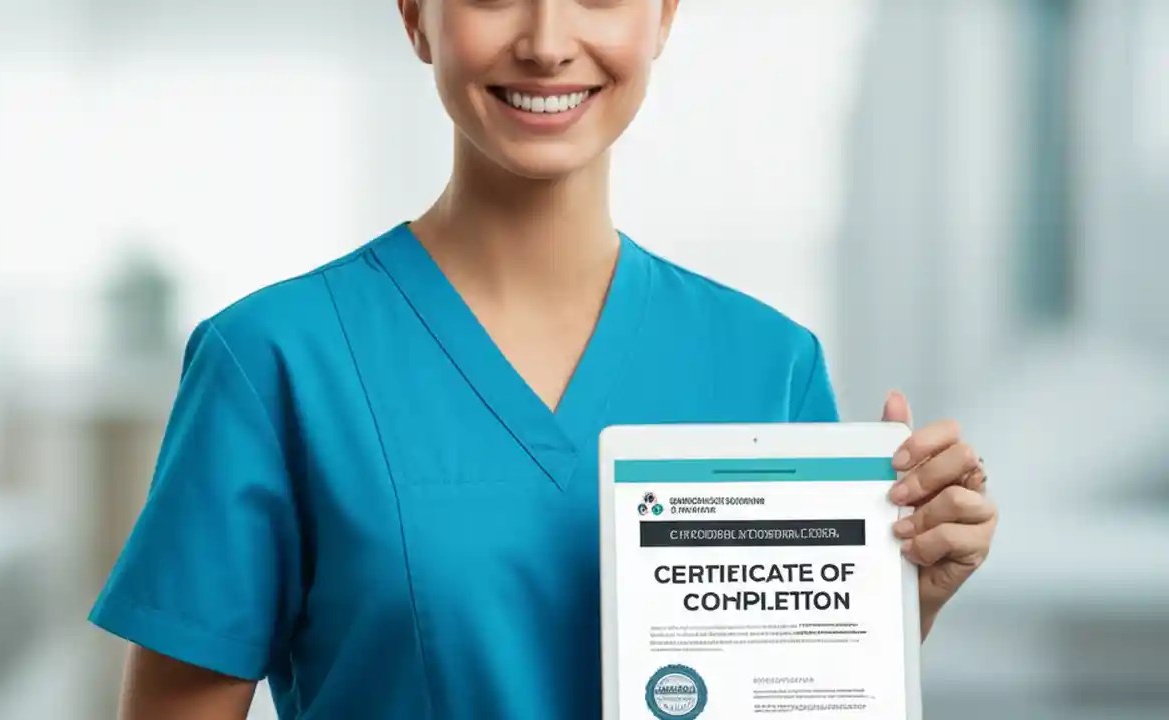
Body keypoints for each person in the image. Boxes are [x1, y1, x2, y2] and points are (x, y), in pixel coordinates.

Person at [89, 1, 999, 718]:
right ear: (415, 15)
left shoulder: (771, 365)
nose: (547, 41)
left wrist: (885, 608)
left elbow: (775, 699)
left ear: (664, 16)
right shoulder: (274, 362)